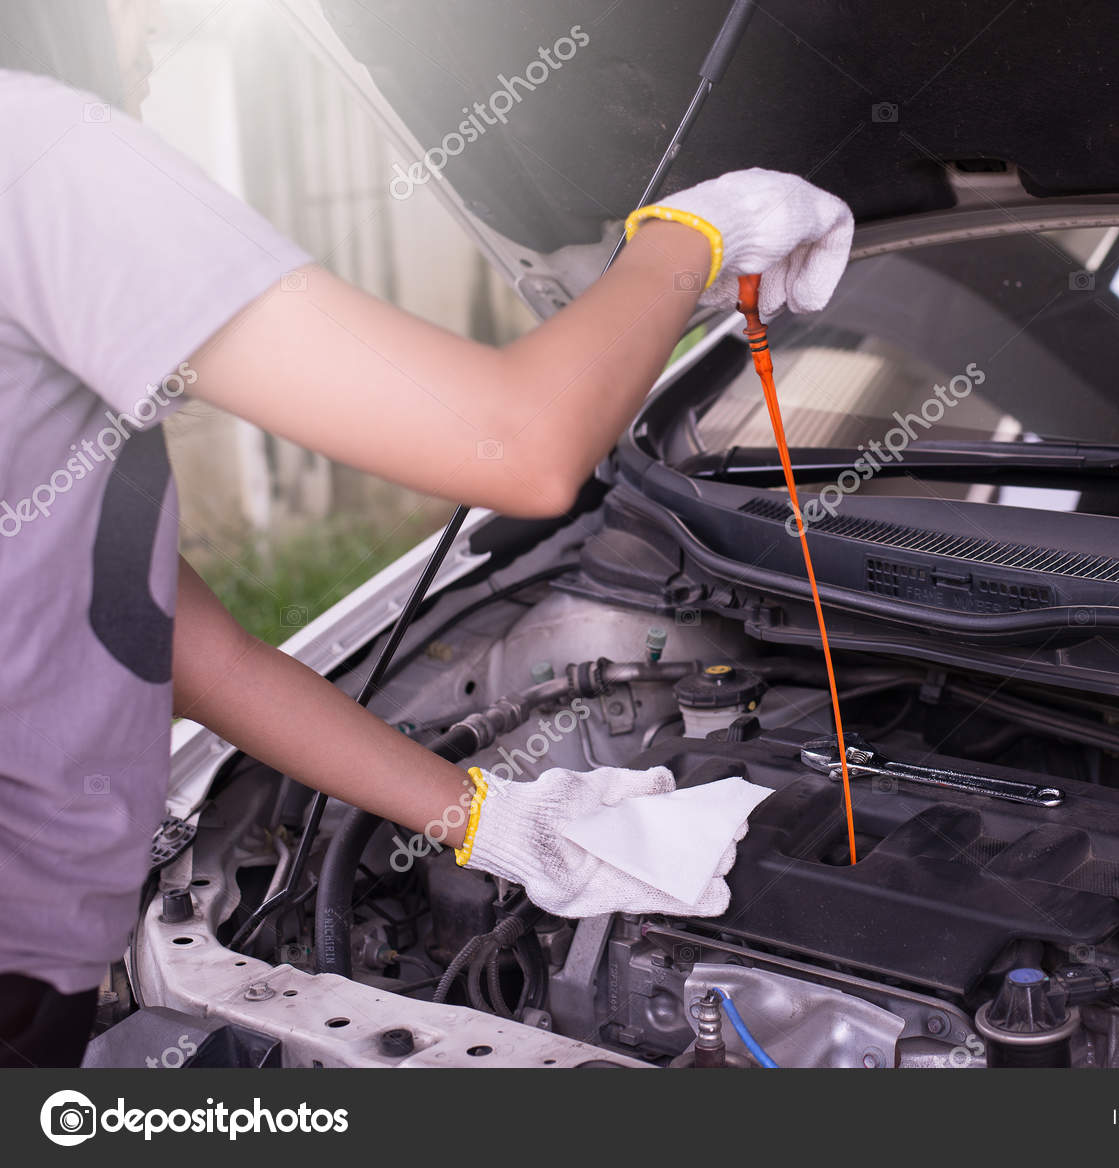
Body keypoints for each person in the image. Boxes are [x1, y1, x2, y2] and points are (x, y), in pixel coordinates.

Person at [0, 0, 853, 1066]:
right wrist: (695, 231)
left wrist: (492, 821)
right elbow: (524, 449)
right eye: (153, 19)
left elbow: (170, 639)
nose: (168, 28)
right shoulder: (35, 150)